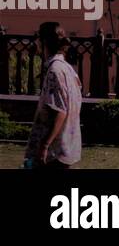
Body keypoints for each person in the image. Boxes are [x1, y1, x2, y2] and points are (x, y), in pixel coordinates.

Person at [24, 22, 82, 169]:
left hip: (53, 153)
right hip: (67, 146)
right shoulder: (68, 70)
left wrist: (45, 146)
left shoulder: (55, 71)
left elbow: (60, 111)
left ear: (43, 41)